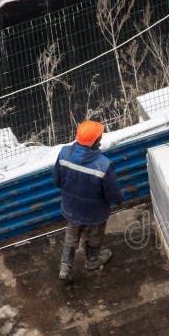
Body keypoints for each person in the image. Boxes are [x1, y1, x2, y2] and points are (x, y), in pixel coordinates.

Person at [53, 120, 123, 281]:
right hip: (94, 212)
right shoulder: (103, 165)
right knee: (94, 234)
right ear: (96, 141)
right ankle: (92, 261)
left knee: (71, 232)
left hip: (71, 207)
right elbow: (112, 193)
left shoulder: (64, 153)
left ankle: (65, 266)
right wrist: (118, 200)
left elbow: (56, 179)